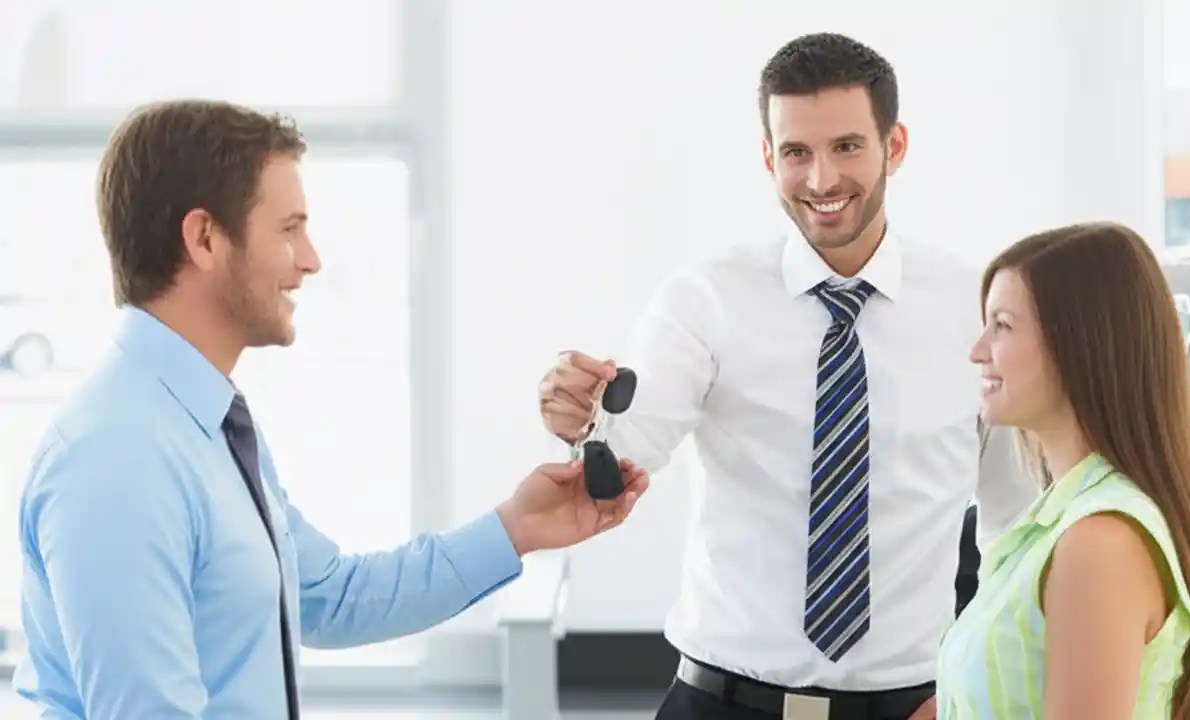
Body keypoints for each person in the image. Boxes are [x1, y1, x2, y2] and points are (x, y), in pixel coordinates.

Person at [13, 99, 649, 720]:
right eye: (289, 229)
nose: (311, 260)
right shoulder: (119, 458)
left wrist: (516, 527)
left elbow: (328, 595)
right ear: (205, 239)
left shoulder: (204, 422)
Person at [539, 33, 1039, 720]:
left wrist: (980, 689)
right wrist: (581, 420)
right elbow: (630, 444)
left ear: (894, 147)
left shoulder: (974, 309)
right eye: (797, 152)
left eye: (847, 147)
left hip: (913, 707)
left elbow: (1016, 528)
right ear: (769, 157)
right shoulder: (706, 299)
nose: (822, 180)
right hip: (721, 702)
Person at [935, 222, 1190, 719]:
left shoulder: (1100, 542)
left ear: (1078, 343)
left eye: (1002, 325)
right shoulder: (1062, 519)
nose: (978, 351)